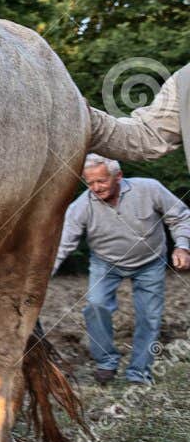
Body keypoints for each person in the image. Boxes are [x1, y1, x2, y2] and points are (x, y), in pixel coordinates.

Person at [52, 154, 190, 385]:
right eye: (90, 183)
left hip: (150, 261)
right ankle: (106, 362)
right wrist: (44, 276)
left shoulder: (149, 189)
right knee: (95, 305)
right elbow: (63, 245)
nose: (96, 188)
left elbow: (181, 216)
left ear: (118, 176)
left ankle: (139, 372)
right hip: (106, 263)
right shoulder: (81, 206)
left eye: (102, 181)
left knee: (149, 316)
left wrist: (183, 247)